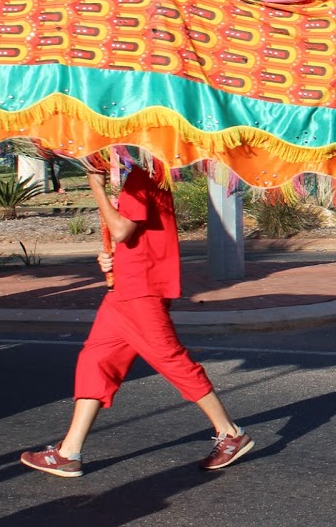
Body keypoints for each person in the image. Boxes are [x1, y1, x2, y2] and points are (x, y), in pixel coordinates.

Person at [20, 165, 253, 478]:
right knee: (95, 360)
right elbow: (135, 236)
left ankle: (230, 432)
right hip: (125, 290)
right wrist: (114, 257)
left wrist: (96, 188)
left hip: (139, 291)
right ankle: (68, 452)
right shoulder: (149, 176)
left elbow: (121, 230)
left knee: (171, 360)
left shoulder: (143, 177)